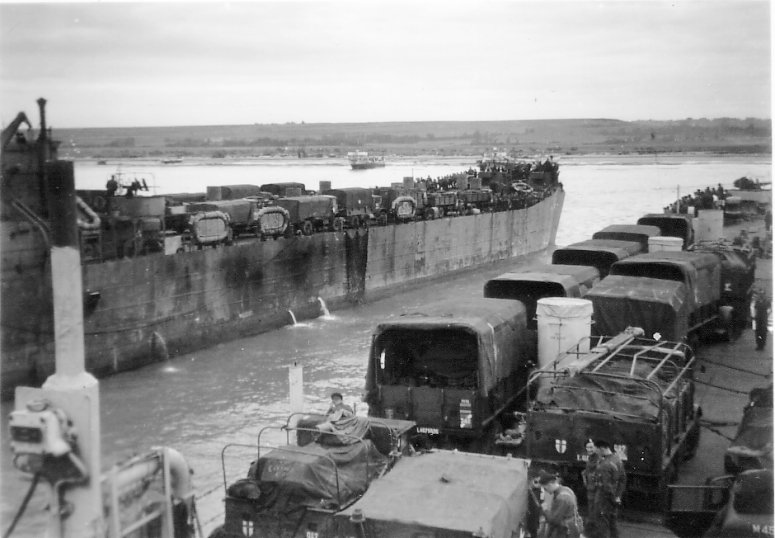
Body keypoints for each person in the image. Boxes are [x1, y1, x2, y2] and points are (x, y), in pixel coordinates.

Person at [590, 439, 626, 538]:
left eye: (595, 449)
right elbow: (623, 479)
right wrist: (617, 497)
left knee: (602, 525)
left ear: (601, 448)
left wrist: (611, 499)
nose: (595, 451)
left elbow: (606, 487)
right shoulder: (617, 459)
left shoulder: (604, 465)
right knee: (613, 524)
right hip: (614, 497)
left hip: (604, 499)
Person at [537, 470, 583, 538]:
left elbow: (553, 520)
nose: (545, 491)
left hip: (565, 532)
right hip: (573, 527)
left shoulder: (561, 498)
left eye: (545, 488)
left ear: (549, 485)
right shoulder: (567, 490)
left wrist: (545, 508)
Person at [581, 439, 599, 518]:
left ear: (595, 447)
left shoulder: (598, 458)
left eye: (591, 447)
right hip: (590, 487)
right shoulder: (591, 458)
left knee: (595, 507)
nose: (589, 449)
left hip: (596, 487)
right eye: (587, 447)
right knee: (591, 506)